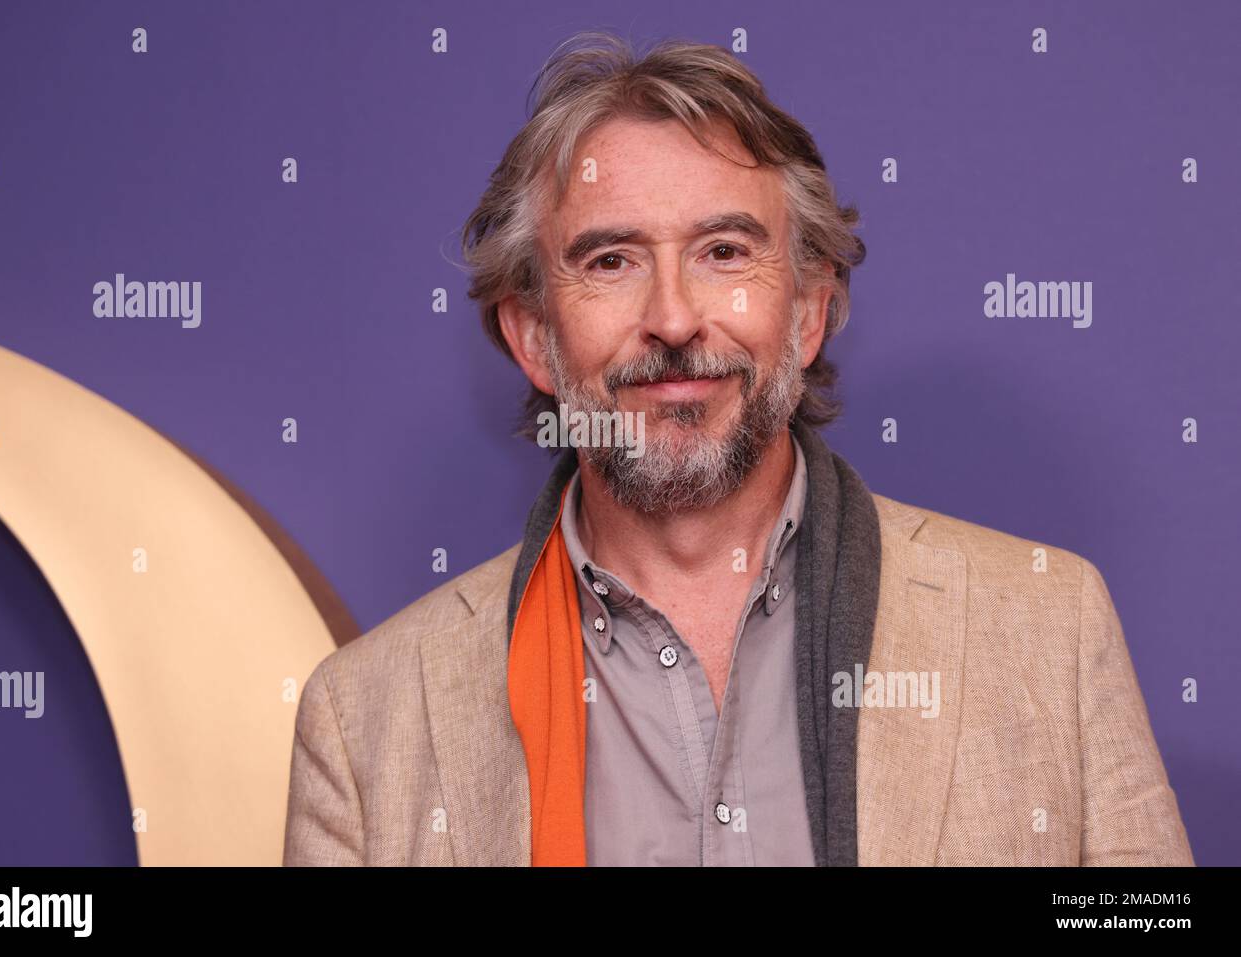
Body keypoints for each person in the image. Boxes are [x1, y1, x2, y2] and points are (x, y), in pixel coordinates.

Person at [283, 32, 1192, 866]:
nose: (674, 318)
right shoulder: (366, 723)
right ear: (531, 336)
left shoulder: (1047, 627)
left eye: (724, 251)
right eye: (610, 261)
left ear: (806, 312)